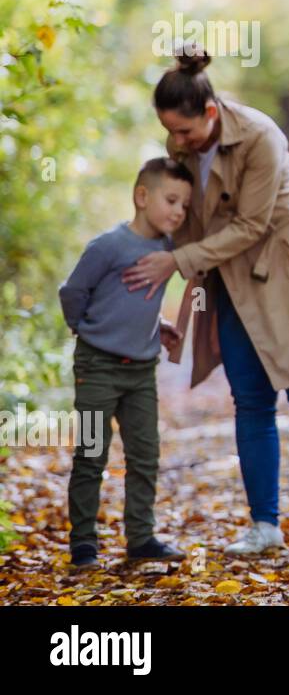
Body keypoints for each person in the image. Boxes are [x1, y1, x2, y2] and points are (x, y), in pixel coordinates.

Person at [122, 44, 289, 555]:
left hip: (285, 270)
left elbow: (252, 225)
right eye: (170, 130)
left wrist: (177, 262)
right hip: (228, 280)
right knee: (250, 399)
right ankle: (264, 524)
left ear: (210, 112)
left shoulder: (259, 134)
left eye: (185, 130)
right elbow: (181, 222)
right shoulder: (182, 151)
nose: (177, 140)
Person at [58, 157, 194, 568]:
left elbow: (134, 302)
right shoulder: (109, 246)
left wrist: (159, 323)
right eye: (171, 200)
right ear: (141, 196)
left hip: (141, 371)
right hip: (98, 366)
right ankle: (83, 543)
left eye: (185, 205)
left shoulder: (170, 250)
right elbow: (73, 291)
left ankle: (140, 536)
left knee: (145, 454)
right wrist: (86, 329)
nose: (178, 211)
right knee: (92, 453)